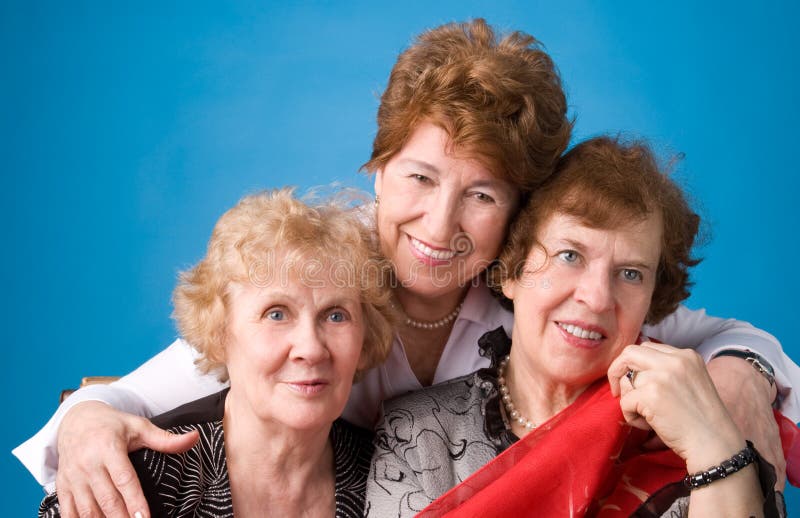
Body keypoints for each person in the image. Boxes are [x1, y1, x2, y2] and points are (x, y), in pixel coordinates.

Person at [13, 19, 798, 518]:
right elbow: (168, 378)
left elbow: (726, 333)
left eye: (482, 195)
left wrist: (740, 374)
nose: (439, 224)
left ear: (519, 215)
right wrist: (85, 422)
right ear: (377, 169)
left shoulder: (543, 297)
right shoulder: (317, 282)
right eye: (419, 178)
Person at [366, 136, 784, 517]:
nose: (598, 297)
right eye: (570, 256)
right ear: (512, 270)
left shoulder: (694, 430)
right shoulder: (419, 434)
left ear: (653, 298)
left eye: (631, 274)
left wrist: (715, 448)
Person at [40, 189, 396, 517]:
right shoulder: (136, 479)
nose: (311, 349)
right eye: (276, 313)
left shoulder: (397, 476)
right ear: (219, 332)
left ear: (365, 339)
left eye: (336, 315)